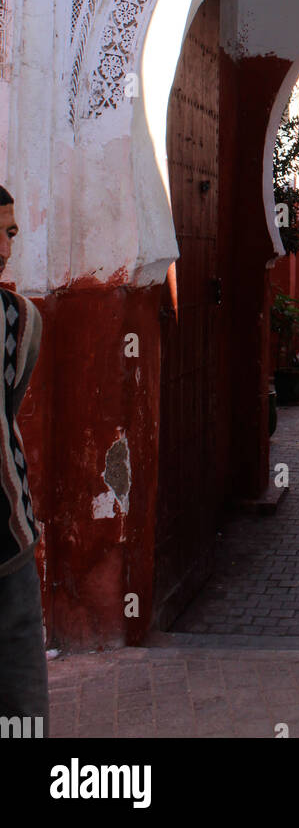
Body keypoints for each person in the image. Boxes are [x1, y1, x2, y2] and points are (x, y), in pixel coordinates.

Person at [0, 183, 48, 730]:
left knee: (22, 712)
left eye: (10, 233)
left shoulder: (22, 321)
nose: (5, 250)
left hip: (9, 544)